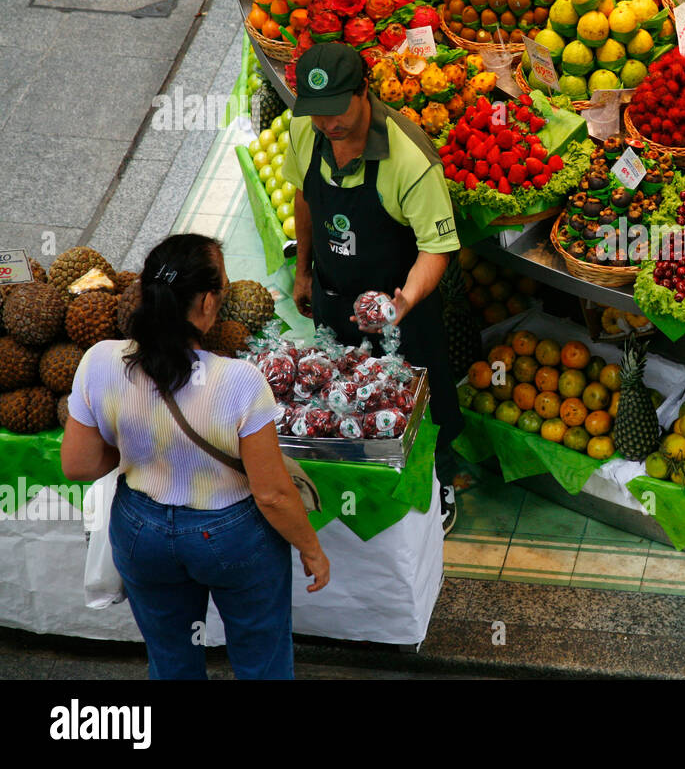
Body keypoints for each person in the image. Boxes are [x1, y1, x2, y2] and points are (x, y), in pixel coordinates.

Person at [60, 234, 328, 680]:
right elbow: (273, 495)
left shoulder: (100, 361)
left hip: (140, 530)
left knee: (171, 660)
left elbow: (79, 465)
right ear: (206, 302)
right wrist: (312, 549)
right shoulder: (241, 381)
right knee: (261, 659)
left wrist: (138, 440)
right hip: (231, 535)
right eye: (221, 288)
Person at [282, 42, 465, 529]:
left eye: (337, 110)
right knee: (341, 399)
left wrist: (405, 300)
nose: (328, 124)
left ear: (365, 90)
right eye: (318, 114)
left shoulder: (409, 158)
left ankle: (438, 482)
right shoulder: (306, 130)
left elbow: (437, 246)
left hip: (401, 312)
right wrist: (304, 270)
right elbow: (305, 197)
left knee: (422, 407)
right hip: (332, 296)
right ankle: (355, 489)